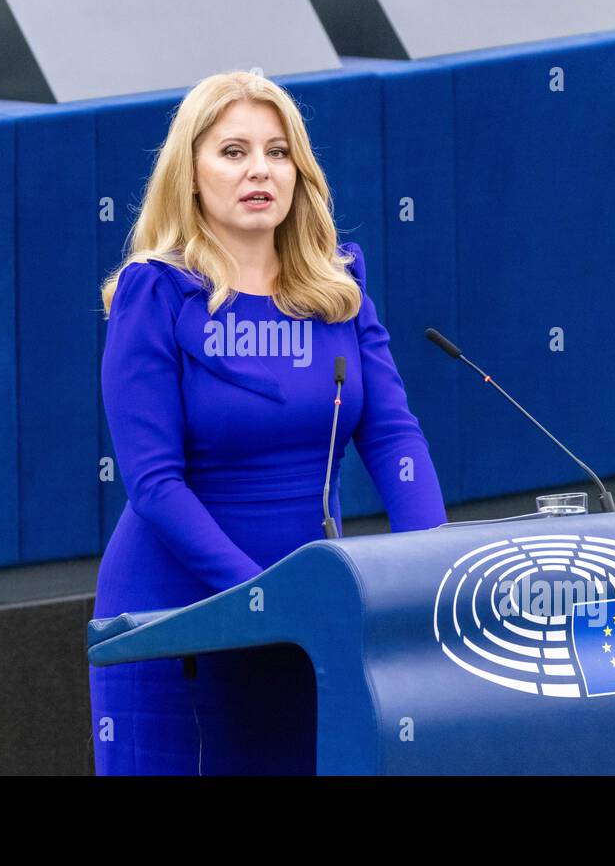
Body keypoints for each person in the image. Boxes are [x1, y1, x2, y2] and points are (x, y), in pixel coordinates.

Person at [90, 70, 447, 775]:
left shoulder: (339, 286)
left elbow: (394, 437)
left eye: (278, 151)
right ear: (189, 174)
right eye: (233, 151)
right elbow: (155, 485)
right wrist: (268, 602)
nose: (260, 169)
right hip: (181, 626)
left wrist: (434, 572)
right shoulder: (155, 293)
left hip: (316, 629)